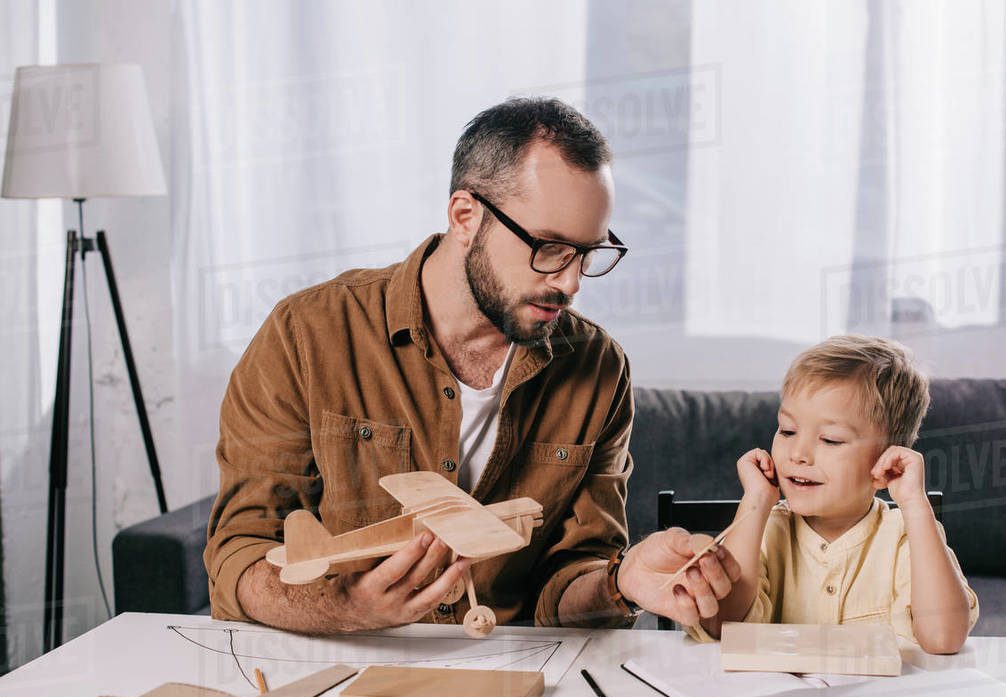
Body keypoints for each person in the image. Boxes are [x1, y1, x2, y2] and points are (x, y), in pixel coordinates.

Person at [204, 97, 740, 634]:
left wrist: (620, 584)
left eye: (589, 253)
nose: (571, 282)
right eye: (549, 247)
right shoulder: (307, 333)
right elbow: (239, 552)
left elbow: (570, 575)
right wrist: (343, 608)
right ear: (466, 217)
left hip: (513, 669)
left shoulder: (599, 367)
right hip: (347, 660)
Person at [688, 335, 979, 653]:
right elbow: (720, 625)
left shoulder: (905, 536)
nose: (798, 453)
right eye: (787, 431)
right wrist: (754, 502)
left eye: (830, 440)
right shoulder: (764, 529)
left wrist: (915, 505)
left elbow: (943, 638)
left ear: (887, 460)